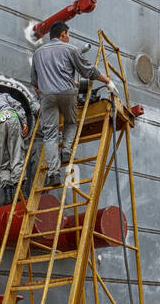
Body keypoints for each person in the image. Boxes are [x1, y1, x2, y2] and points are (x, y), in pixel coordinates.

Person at [30, 21, 114, 186]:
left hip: (47, 96)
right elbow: (89, 71)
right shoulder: (71, 49)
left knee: (50, 135)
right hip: (67, 93)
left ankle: (54, 174)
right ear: (63, 34)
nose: (68, 37)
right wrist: (107, 80)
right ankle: (66, 151)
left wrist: (46, 92)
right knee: (71, 122)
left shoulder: (38, 53)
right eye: (68, 34)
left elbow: (35, 82)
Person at [0, 90, 30, 203]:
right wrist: (24, 122)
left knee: (3, 163)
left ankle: (8, 196)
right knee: (16, 155)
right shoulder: (3, 95)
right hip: (11, 117)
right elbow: (17, 105)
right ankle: (20, 193)